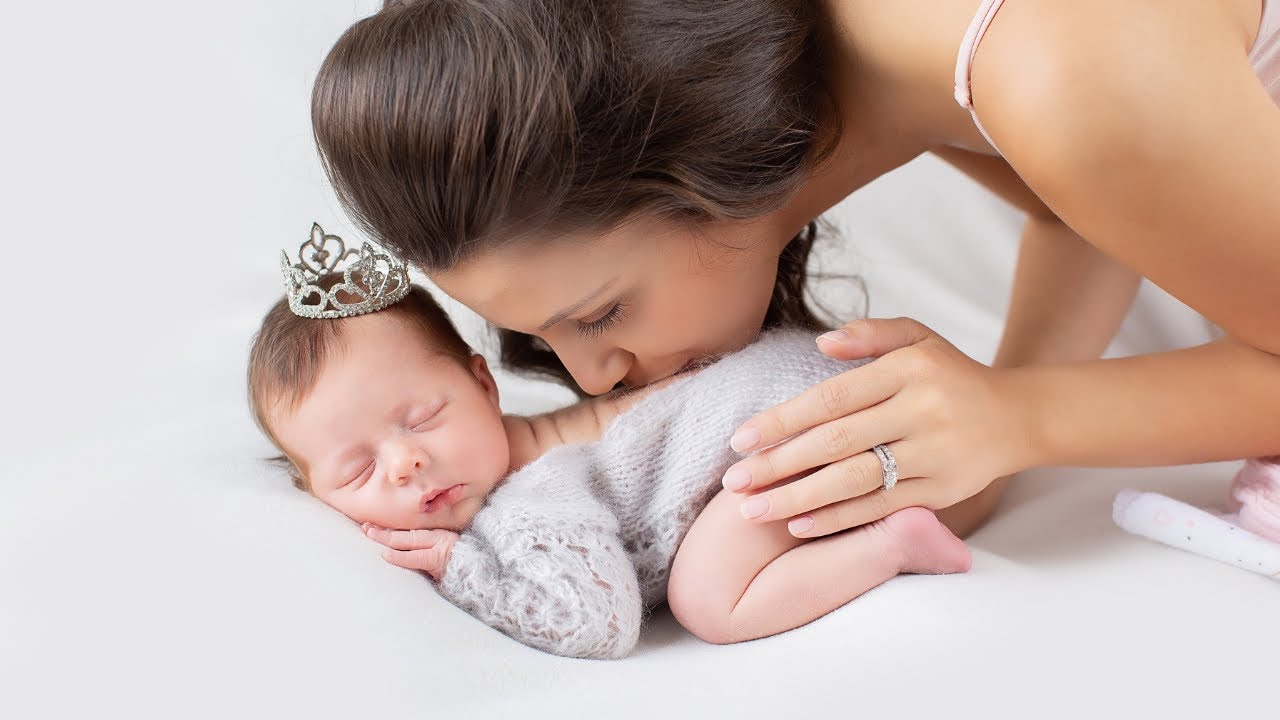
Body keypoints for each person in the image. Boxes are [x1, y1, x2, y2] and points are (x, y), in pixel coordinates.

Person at [308, 0, 1280, 541]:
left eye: (600, 313)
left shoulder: (1064, 77)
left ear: (688, 160)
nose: (595, 376)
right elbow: (1082, 209)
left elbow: (1097, 143)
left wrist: (1022, 419)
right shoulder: (875, 53)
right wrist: (990, 431)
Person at [245, 226, 970, 659]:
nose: (406, 462)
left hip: (799, 422)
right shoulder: (541, 438)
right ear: (317, 494)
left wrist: (462, 569)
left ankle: (893, 544)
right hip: (805, 381)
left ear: (483, 385)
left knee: (709, 601)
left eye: (425, 416)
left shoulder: (530, 500)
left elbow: (603, 623)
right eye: (361, 468)